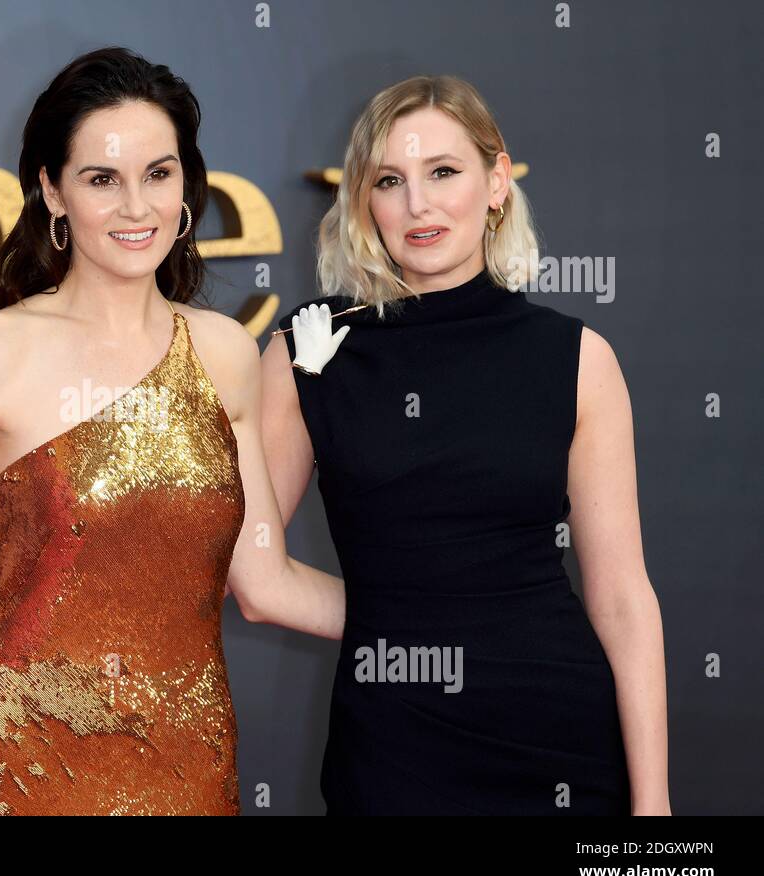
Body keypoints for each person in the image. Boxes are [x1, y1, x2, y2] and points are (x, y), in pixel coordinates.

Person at [0, 47, 344, 815]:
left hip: (190, 767)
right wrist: (9, 584)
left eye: (158, 173)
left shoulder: (223, 353)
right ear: (52, 190)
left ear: (187, 185)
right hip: (26, 767)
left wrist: (440, 622)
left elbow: (263, 579)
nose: (136, 208)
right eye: (101, 179)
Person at [262, 75, 669, 814]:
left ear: (496, 182)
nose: (418, 204)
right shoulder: (312, 349)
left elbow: (622, 598)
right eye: (390, 180)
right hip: (394, 749)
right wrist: (401, 627)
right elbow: (255, 581)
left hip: (560, 740)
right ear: (365, 203)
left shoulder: (576, 359)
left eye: (442, 172)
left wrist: (653, 808)